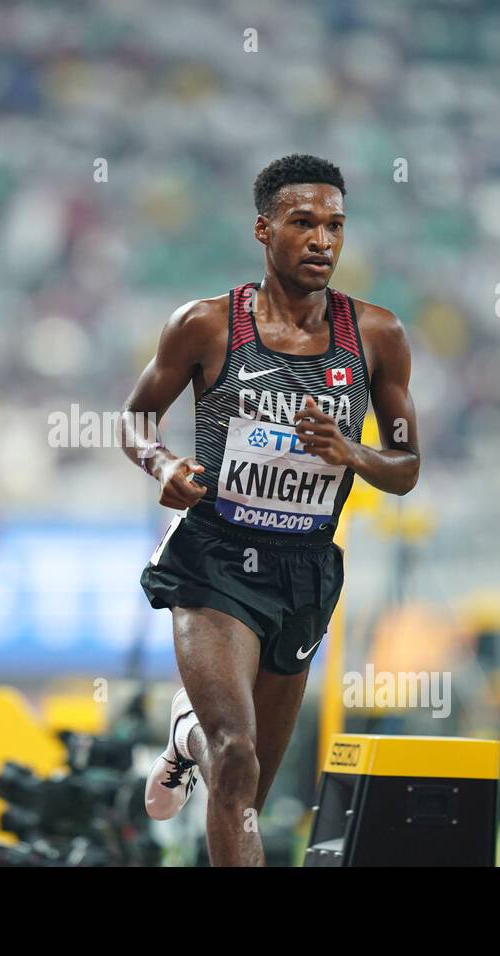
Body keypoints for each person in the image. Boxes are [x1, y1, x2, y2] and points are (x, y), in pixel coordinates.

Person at [117, 154, 421, 866]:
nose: (323, 240)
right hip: (215, 558)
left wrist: (353, 452)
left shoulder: (377, 337)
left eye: (336, 225)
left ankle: (184, 736)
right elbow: (135, 418)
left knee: (247, 793)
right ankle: (203, 737)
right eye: (303, 222)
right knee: (238, 757)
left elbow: (406, 469)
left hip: (305, 570)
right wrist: (163, 464)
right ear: (263, 228)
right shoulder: (205, 326)